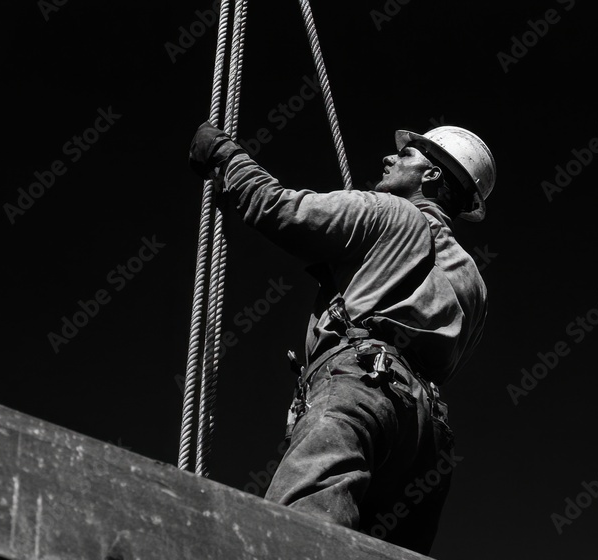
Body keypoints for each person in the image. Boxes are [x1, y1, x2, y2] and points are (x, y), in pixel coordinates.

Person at [188, 120, 494, 554]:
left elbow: (279, 208)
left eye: (406, 154)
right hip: (429, 435)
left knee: (302, 534)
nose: (389, 158)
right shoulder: (474, 282)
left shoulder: (388, 212)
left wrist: (225, 156)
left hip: (362, 386)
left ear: (431, 174)